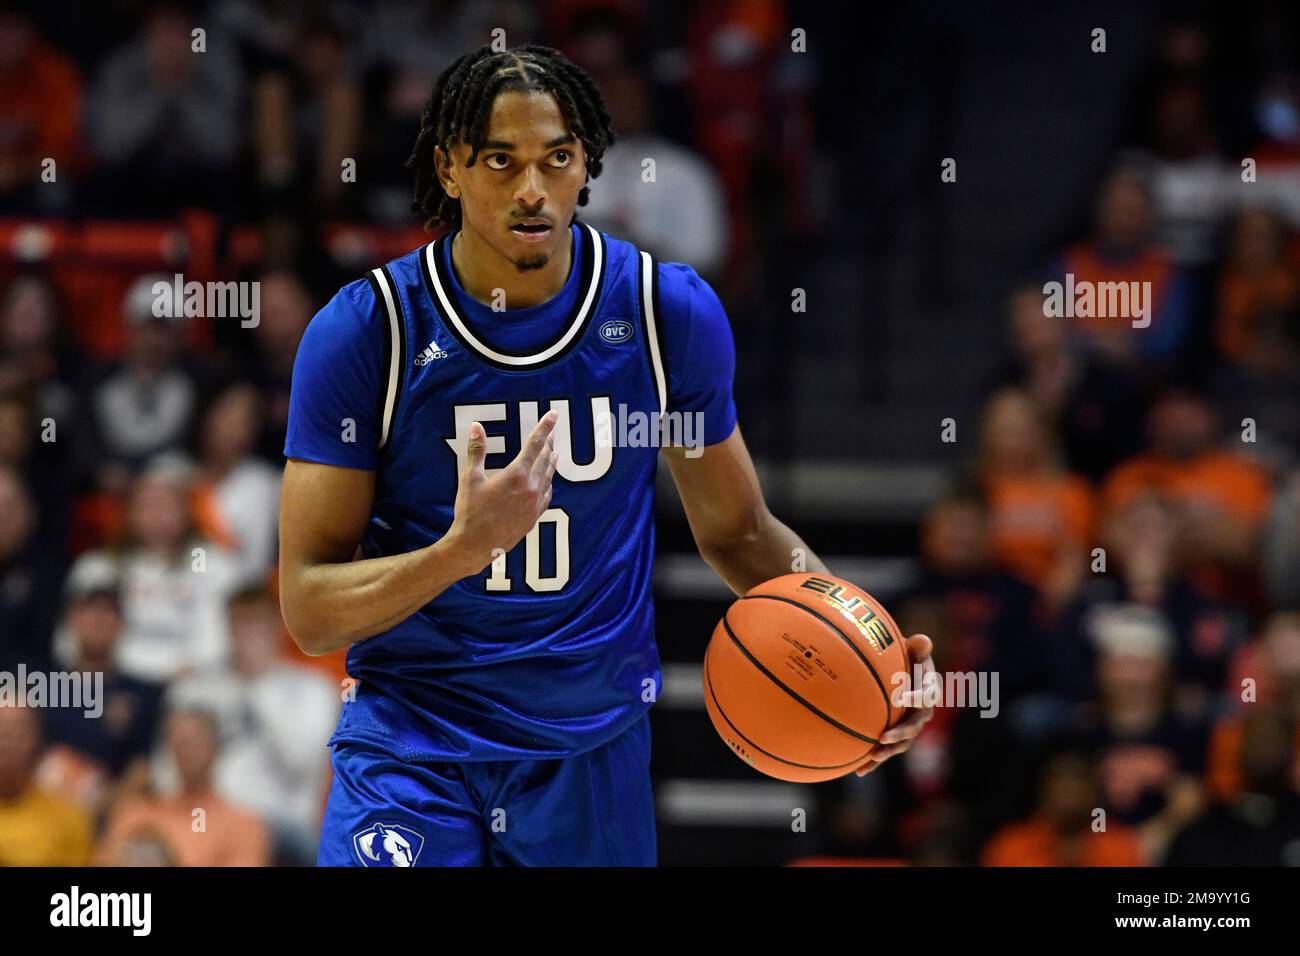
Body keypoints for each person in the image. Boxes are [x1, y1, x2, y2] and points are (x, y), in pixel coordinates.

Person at [278, 44, 934, 867]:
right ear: (447, 169)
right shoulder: (367, 333)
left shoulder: (667, 314)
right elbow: (307, 609)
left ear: (587, 163)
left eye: (557, 159)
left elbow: (738, 533)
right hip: (413, 744)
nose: (531, 190)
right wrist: (459, 552)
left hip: (588, 751)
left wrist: (862, 639)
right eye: (499, 161)